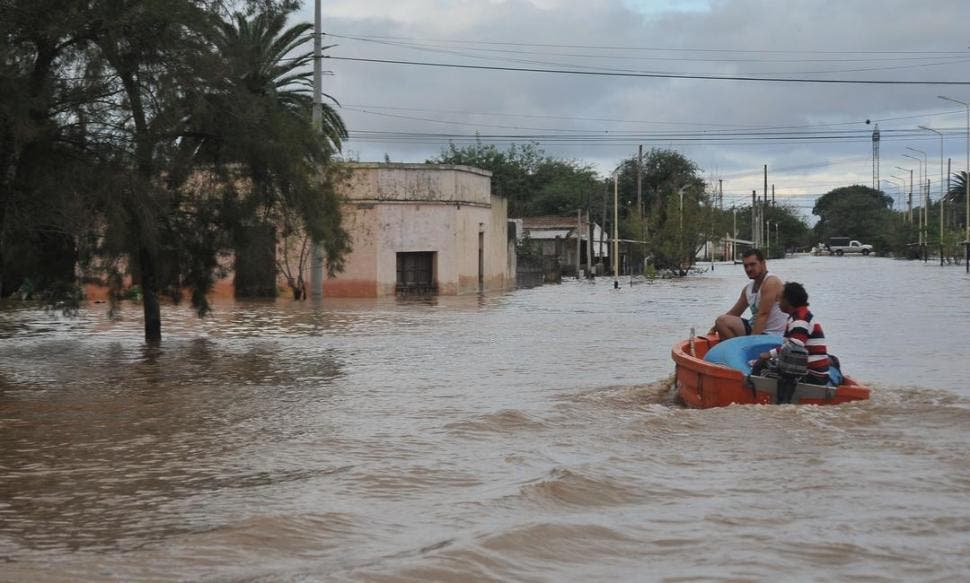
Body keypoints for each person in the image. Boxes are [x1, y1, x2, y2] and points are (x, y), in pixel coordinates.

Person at [754, 281, 831, 385]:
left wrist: (769, 354)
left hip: (814, 374)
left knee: (761, 368)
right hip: (807, 369)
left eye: (780, 299)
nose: (778, 301)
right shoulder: (798, 317)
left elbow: (794, 347)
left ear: (788, 301)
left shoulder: (800, 319)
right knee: (767, 364)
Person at [710, 248, 786, 339]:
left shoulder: (771, 282)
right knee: (721, 321)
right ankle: (735, 349)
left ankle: (740, 349)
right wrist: (713, 330)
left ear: (763, 264)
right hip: (756, 329)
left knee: (722, 321)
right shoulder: (748, 289)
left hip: (774, 335)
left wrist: (751, 342)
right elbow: (733, 313)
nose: (749, 269)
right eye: (746, 266)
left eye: (752, 264)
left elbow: (763, 315)